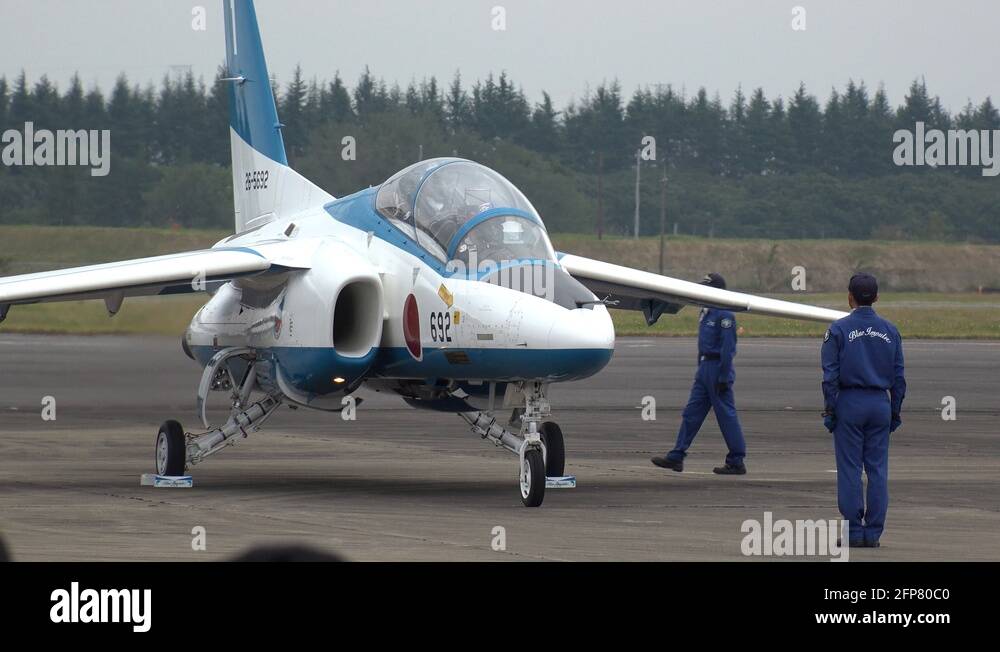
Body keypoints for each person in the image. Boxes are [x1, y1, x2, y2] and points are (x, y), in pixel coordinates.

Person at [821, 273, 906, 548]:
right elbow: (899, 378)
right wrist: (894, 412)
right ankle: (874, 533)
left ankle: (854, 531)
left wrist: (830, 410)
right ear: (877, 297)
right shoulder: (891, 331)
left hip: (850, 403)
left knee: (850, 469)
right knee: (878, 470)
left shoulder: (838, 330)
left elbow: (829, 376)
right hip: (880, 403)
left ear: (849, 297)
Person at [652, 273, 747, 475]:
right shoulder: (705, 312)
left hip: (717, 369)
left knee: (726, 417)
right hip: (704, 370)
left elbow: (728, 349)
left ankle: (737, 460)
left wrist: (722, 377)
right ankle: (677, 455)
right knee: (691, 414)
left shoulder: (725, 315)